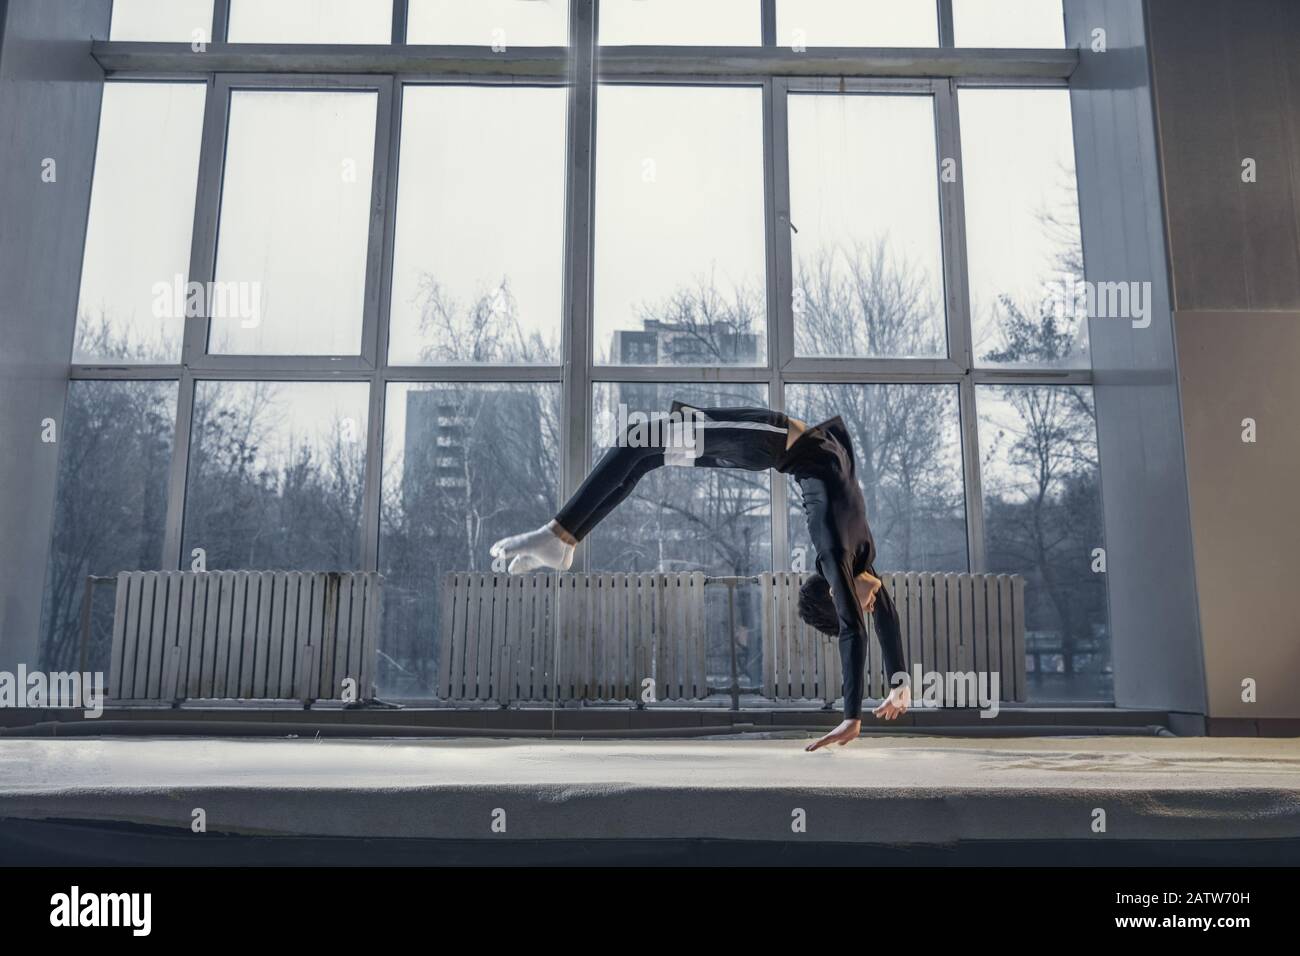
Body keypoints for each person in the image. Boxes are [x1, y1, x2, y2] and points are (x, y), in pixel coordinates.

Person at [490, 401, 912, 751]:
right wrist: (899, 683)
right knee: (644, 450)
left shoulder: (835, 551)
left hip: (768, 442)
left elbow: (853, 632)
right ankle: (563, 541)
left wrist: (852, 716)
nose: (874, 604)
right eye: (868, 605)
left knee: (641, 437)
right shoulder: (860, 561)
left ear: (840, 598)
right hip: (768, 437)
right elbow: (882, 619)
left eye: (863, 606)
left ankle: (558, 534)